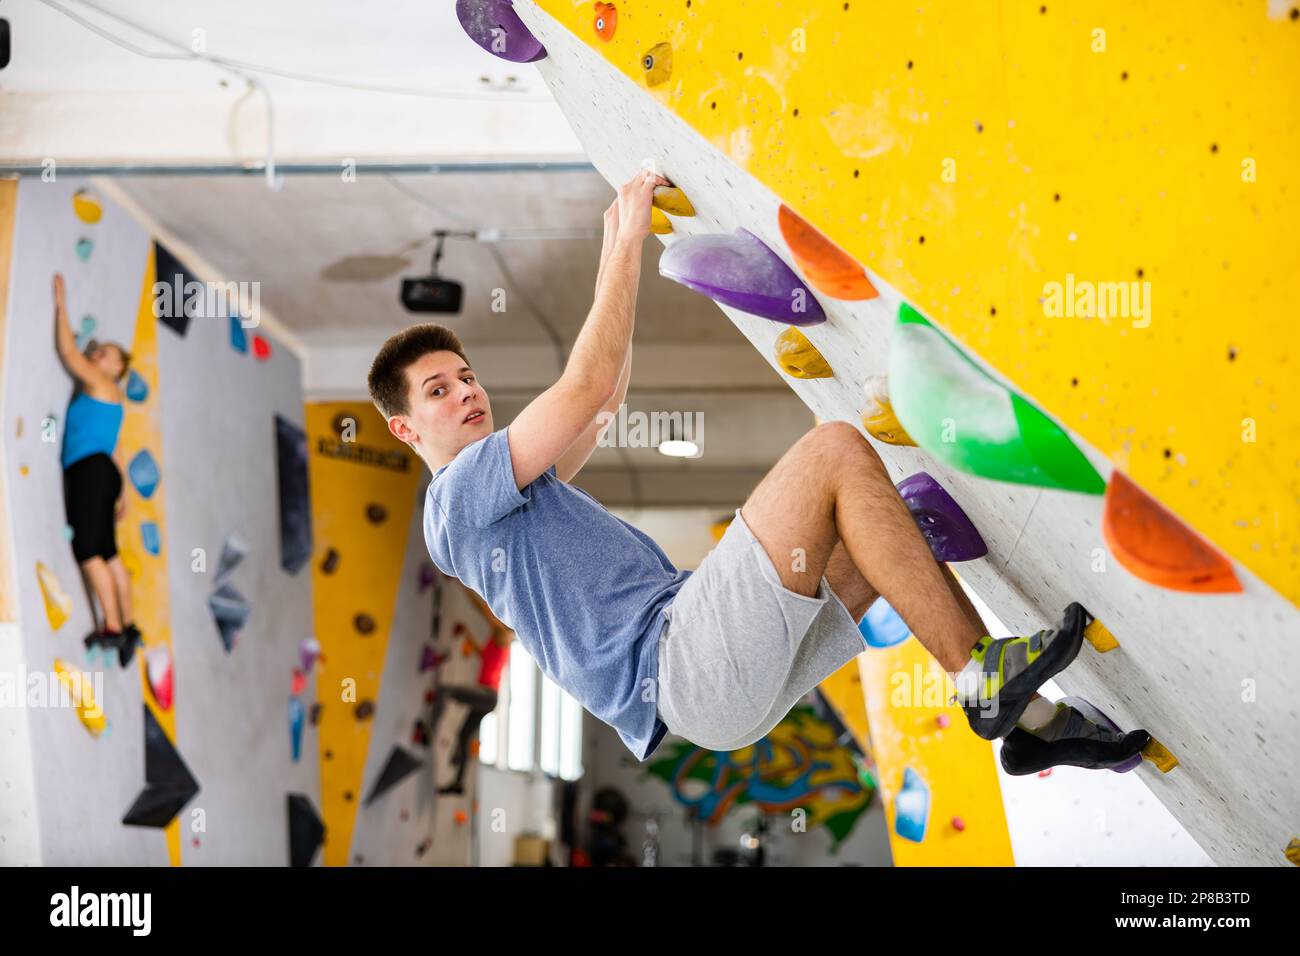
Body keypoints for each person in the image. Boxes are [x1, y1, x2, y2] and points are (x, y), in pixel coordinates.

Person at [367, 173, 1148, 773]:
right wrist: (630, 239)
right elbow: (580, 387)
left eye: (466, 376)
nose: (467, 391)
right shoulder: (453, 504)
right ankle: (980, 674)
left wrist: (617, 246)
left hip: (713, 696)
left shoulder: (516, 497)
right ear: (405, 427)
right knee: (836, 450)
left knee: (889, 524)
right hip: (680, 664)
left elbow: (603, 398)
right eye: (440, 390)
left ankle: (1037, 729)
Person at [53, 273, 141, 667]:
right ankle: (129, 625)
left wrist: (61, 306)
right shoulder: (112, 399)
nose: (98, 354)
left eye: (107, 353)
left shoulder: (102, 382)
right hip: (102, 470)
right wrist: (121, 492)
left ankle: (113, 628)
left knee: (89, 551)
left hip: (90, 470)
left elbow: (70, 355)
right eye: (100, 349)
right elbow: (117, 447)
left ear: (116, 369)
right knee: (108, 551)